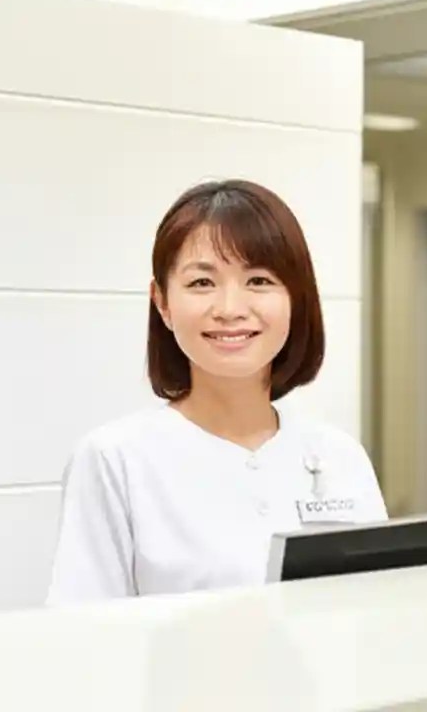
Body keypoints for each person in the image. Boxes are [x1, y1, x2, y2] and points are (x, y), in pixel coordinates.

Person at [45, 179, 388, 606]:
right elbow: (81, 630)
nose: (229, 309)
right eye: (202, 283)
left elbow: (375, 612)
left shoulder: (340, 455)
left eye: (258, 280)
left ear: (296, 299)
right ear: (162, 303)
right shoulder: (114, 460)